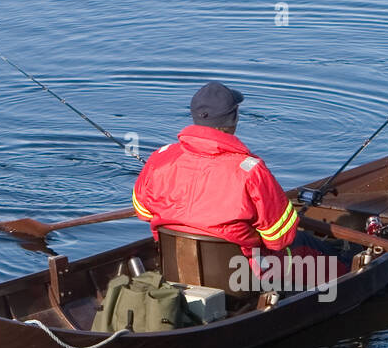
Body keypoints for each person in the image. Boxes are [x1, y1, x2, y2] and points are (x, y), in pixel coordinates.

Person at [131, 81, 348, 290]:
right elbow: (280, 239)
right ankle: (349, 272)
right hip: (240, 279)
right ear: (234, 118)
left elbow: (142, 211)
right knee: (306, 245)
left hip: (175, 267)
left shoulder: (160, 157)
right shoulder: (251, 170)